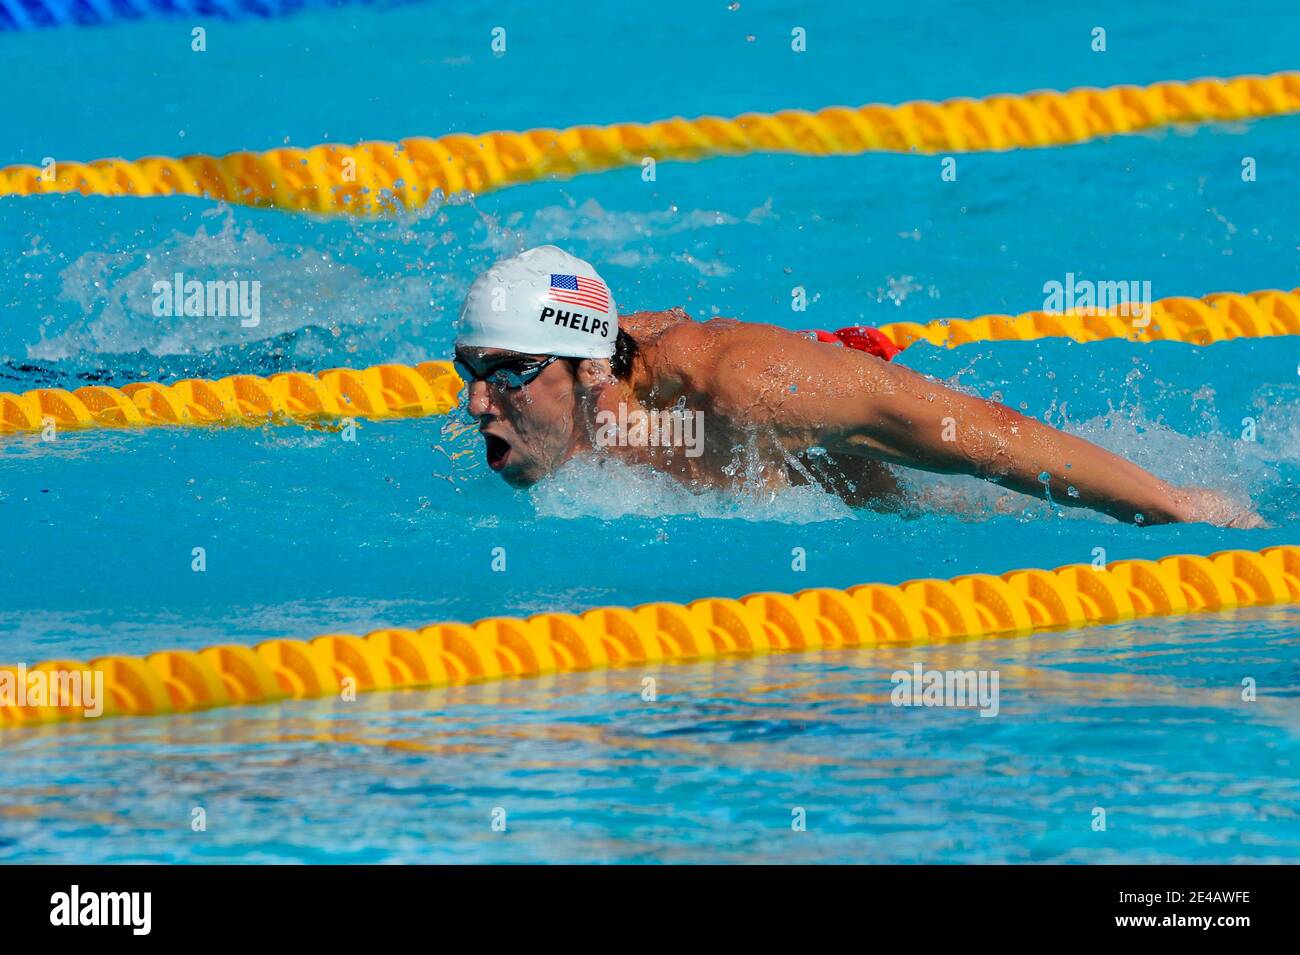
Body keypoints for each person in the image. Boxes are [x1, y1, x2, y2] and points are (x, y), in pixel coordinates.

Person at [453, 245, 1260, 527]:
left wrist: (1174, 506)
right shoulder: (577, 396)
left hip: (821, 399)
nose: (476, 403)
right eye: (472, 374)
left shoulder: (738, 389)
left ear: (589, 366)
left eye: (506, 375)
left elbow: (981, 433)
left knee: (934, 504)